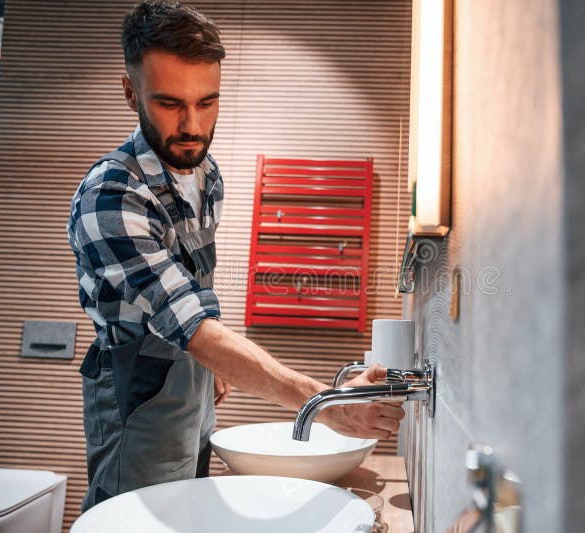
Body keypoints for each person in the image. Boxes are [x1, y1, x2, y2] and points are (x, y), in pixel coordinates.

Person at [67, 0, 404, 512]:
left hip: (192, 373)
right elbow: (188, 323)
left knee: (186, 504)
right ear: (130, 92)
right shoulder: (112, 196)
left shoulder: (207, 176)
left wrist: (207, 362)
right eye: (169, 103)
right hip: (136, 385)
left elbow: (193, 284)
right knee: (133, 516)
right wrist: (328, 407)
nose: (192, 125)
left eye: (207, 102)